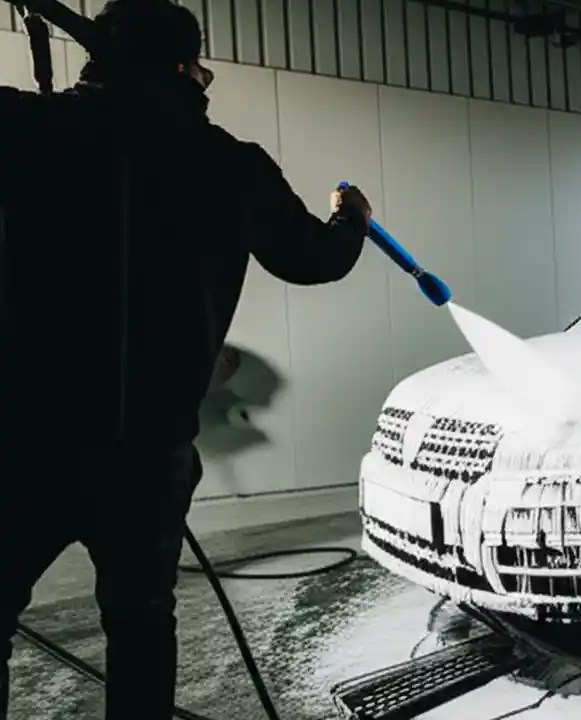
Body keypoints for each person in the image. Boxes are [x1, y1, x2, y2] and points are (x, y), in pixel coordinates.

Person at [0, 0, 374, 717]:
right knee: (140, 624)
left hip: (24, 437)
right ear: (184, 66)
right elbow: (313, 259)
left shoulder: (25, 129)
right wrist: (348, 217)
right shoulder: (229, 163)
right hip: (146, 452)